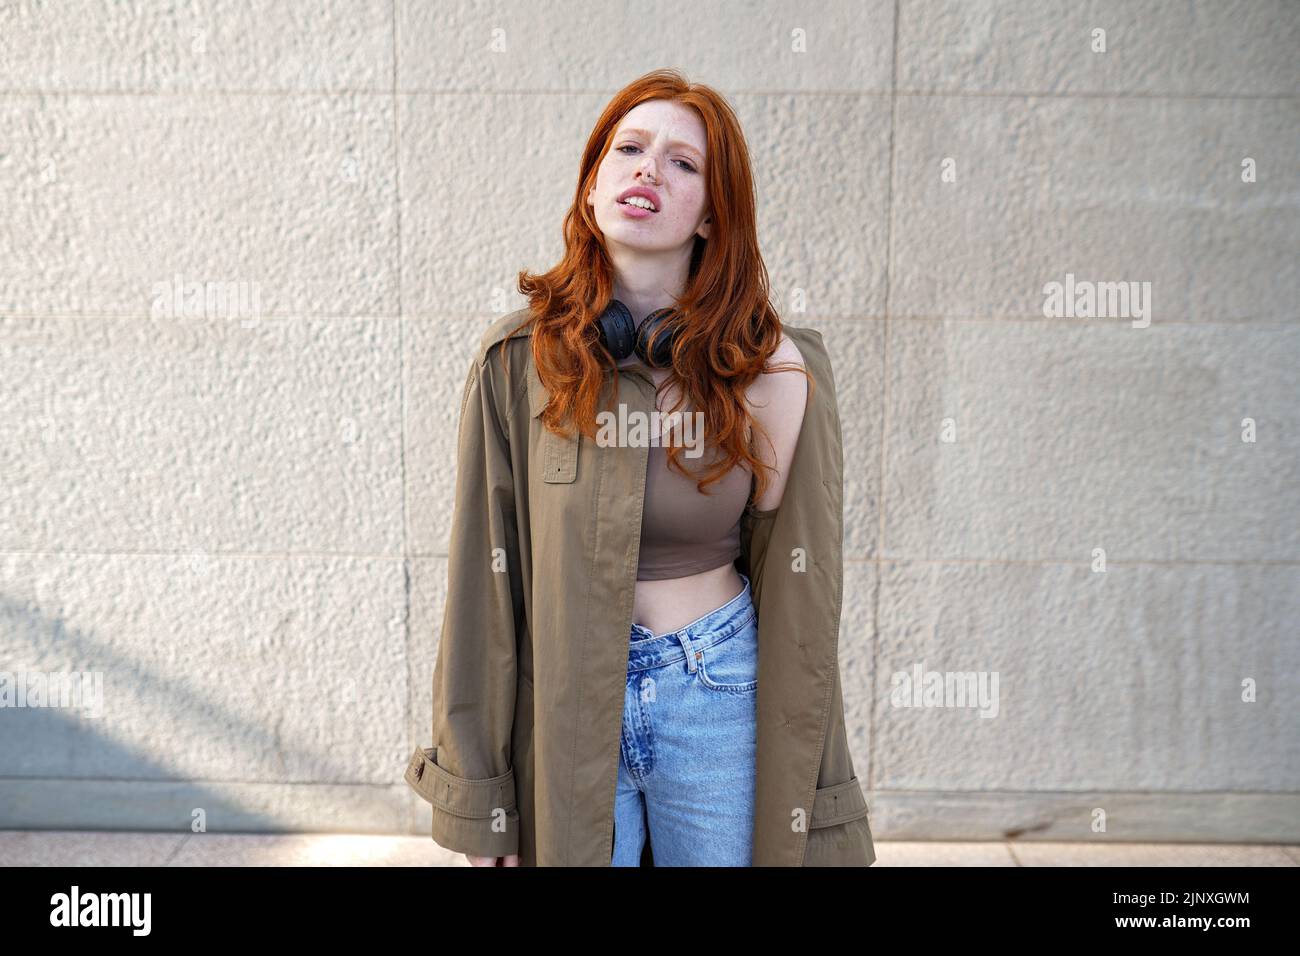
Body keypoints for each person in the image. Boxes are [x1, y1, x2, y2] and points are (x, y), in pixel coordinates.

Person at [408, 68, 874, 867]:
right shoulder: (517, 361)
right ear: (593, 188)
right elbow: (483, 590)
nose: (648, 170)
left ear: (711, 215)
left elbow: (804, 607)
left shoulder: (776, 371)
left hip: (719, 688)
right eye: (628, 148)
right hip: (566, 702)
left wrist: (819, 807)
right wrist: (481, 797)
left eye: (684, 163)